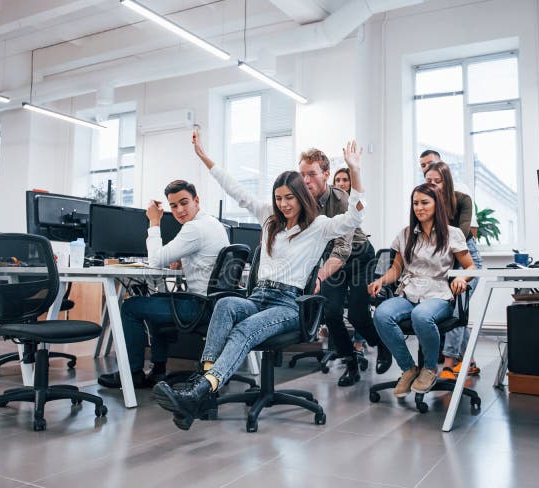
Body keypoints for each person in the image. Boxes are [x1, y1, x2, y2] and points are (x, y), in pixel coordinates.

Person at [152, 129, 367, 430]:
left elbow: (355, 216)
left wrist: (355, 170)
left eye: (290, 197)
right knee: (226, 304)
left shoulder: (319, 226)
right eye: (279, 198)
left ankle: (199, 392)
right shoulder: (269, 217)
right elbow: (234, 188)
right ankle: (201, 389)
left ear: (302, 197)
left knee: (246, 328)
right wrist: (204, 158)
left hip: (290, 304)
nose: (284, 204)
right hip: (258, 298)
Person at [96, 180, 229, 389]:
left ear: (196, 200)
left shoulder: (194, 228)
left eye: (184, 202)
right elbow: (205, 262)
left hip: (200, 307)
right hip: (216, 305)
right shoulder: (213, 224)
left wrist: (154, 222)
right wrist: (183, 259)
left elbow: (157, 260)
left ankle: (132, 374)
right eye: (174, 206)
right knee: (156, 299)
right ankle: (158, 370)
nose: (179, 210)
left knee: (131, 307)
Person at [369, 184, 474, 397]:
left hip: (439, 295)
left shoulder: (452, 234)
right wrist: (382, 280)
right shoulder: (406, 234)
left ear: (437, 204)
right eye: (415, 203)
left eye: (425, 202)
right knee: (381, 314)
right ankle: (408, 368)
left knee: (421, 315)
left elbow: (471, 267)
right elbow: (396, 269)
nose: (419, 207)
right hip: (409, 292)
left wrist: (462, 278)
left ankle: (429, 368)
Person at [299, 150, 391, 387]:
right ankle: (350, 363)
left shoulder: (340, 199)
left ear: (326, 175)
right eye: (302, 174)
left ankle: (381, 345)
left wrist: (319, 274)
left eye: (311, 174)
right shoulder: (302, 202)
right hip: (333, 262)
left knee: (359, 315)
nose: (306, 180)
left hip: (359, 257)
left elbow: (342, 247)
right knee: (330, 313)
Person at [423, 160, 484, 378]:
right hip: (444, 259)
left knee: (458, 308)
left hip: (467, 259)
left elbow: (462, 234)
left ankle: (448, 364)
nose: (432, 185)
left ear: (446, 182)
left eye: (437, 181)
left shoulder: (462, 199)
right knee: (456, 311)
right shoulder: (428, 203)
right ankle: (470, 362)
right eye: (428, 181)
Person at [333, 167, 368, 357]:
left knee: (357, 304)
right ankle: (341, 346)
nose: (341, 183)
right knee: (332, 304)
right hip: (338, 255)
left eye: (345, 179)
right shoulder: (331, 202)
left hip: (357, 255)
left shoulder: (354, 202)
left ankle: (359, 344)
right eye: (337, 180)